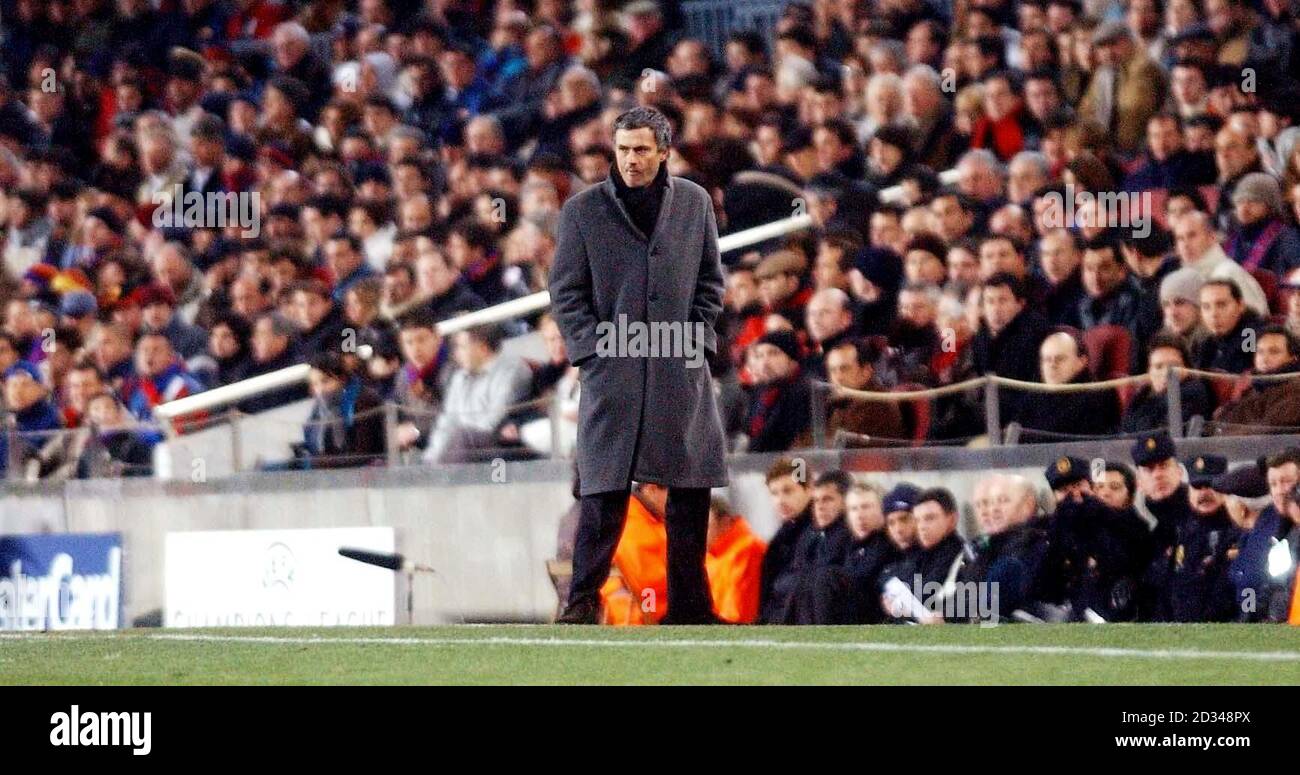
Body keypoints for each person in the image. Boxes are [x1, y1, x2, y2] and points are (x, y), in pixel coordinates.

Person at [549, 106, 729, 625]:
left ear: (664, 150)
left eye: (642, 150)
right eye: (623, 149)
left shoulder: (694, 203)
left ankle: (691, 608)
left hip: (679, 367)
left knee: (691, 491)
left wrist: (695, 339)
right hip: (613, 371)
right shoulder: (582, 211)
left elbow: (710, 281)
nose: (631, 159)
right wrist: (592, 352)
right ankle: (580, 605)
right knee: (603, 492)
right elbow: (565, 290)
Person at [293, 352, 385, 469]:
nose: (319, 390)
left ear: (342, 378)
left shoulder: (364, 401)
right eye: (315, 384)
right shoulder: (320, 407)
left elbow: (363, 454)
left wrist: (317, 463)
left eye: (325, 381)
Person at [704, 497, 767, 624]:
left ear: (725, 523)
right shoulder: (711, 555)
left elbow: (740, 612)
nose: (699, 533)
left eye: (706, 527)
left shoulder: (748, 549)